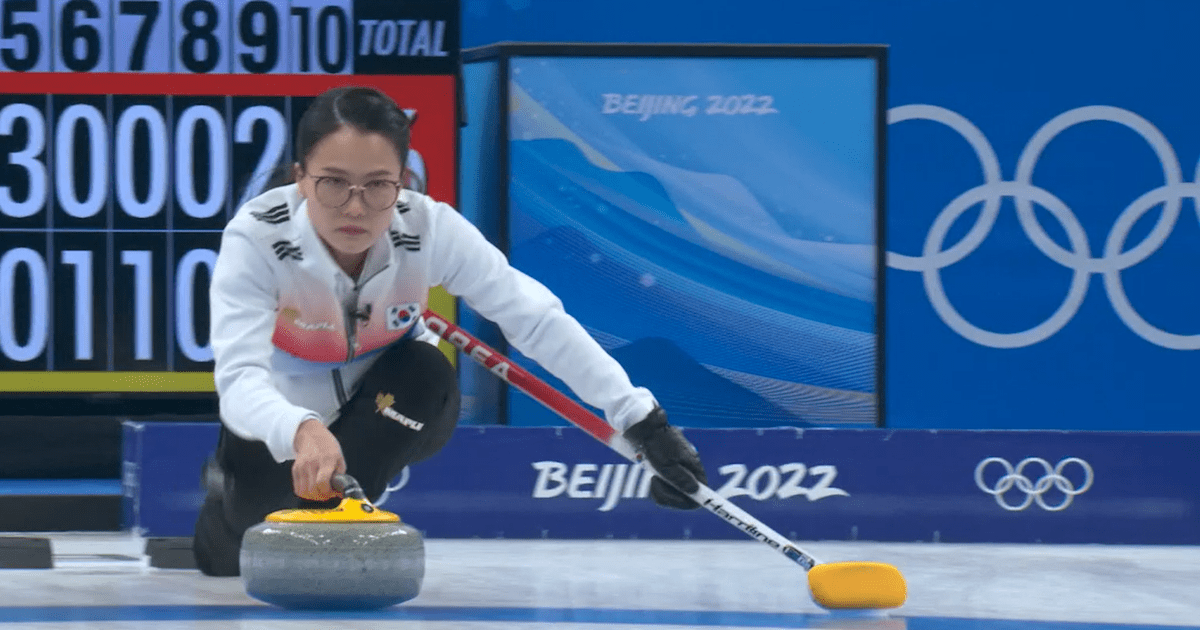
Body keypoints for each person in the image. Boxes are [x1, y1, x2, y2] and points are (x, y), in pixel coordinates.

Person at [192, 86, 708, 576]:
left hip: (393, 399)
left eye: (378, 185)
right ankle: (228, 506)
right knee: (237, 546)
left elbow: (533, 316)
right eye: (333, 183)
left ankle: (344, 532)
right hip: (284, 421)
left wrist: (643, 420)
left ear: (403, 182)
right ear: (301, 178)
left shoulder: (427, 229)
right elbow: (239, 381)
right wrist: (300, 429)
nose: (355, 206)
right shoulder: (257, 238)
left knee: (425, 372)